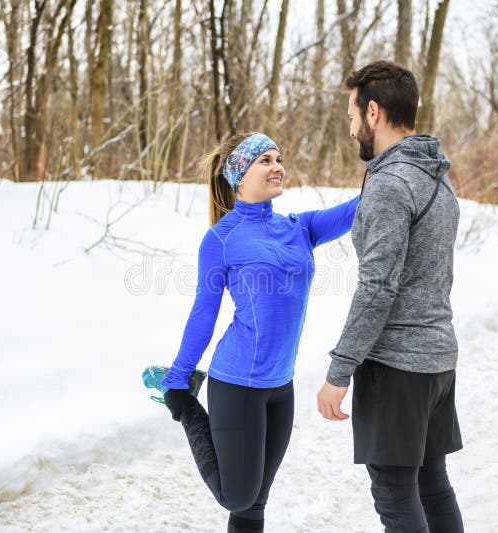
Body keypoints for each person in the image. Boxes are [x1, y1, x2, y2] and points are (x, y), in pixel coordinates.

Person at [145, 132, 360, 533]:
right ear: (239, 175)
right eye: (265, 160)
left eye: (279, 157)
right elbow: (203, 314)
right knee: (238, 496)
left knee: (254, 503)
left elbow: (356, 209)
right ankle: (189, 410)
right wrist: (177, 381)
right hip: (236, 381)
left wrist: (393, 166)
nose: (277, 166)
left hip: (281, 385)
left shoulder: (300, 228)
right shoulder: (221, 240)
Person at [316, 61, 465, 532]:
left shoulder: (389, 185)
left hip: (399, 365)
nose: (351, 127)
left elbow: (378, 288)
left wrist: (340, 370)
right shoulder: (436, 177)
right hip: (437, 360)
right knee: (431, 484)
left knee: (396, 497)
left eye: (352, 116)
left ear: (373, 112)